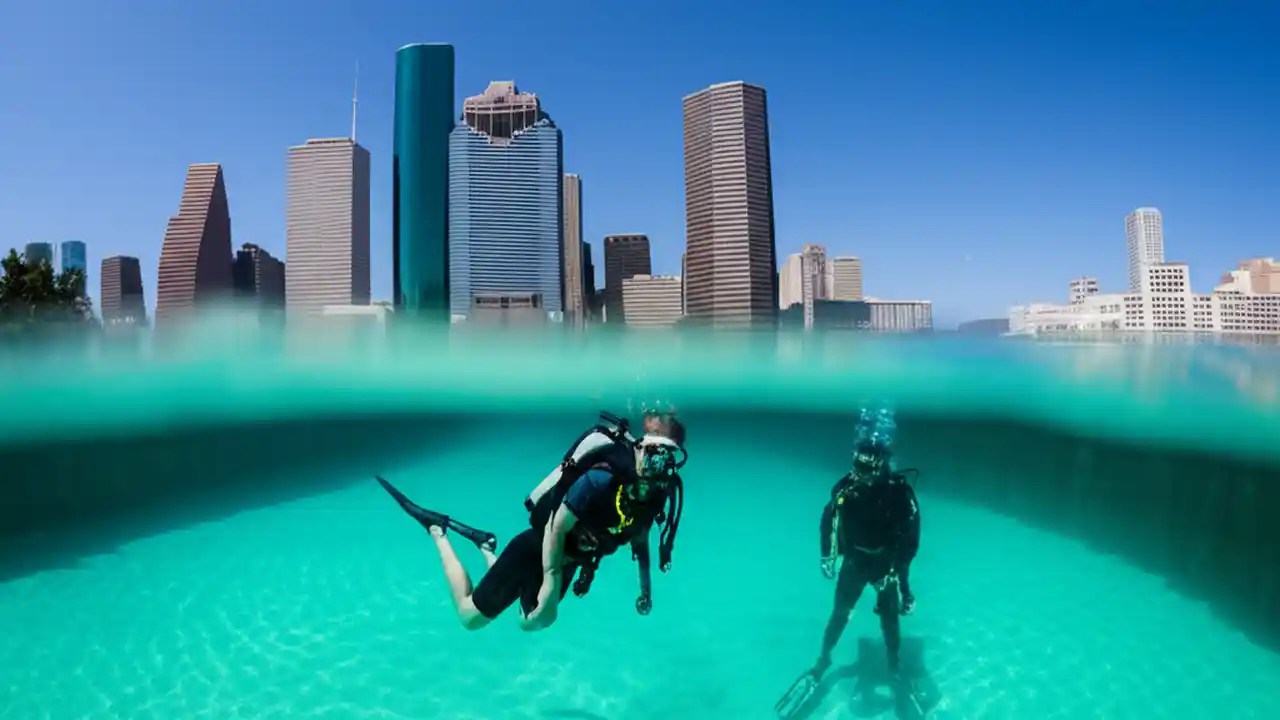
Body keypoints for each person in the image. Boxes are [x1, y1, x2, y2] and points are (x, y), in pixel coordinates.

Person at [377, 409, 686, 632]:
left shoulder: (656, 499)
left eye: (667, 457)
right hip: (537, 548)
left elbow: (641, 545)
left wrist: (645, 591)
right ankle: (438, 531)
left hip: (568, 561)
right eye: (653, 452)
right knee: (470, 618)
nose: (657, 464)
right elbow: (556, 526)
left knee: (530, 622)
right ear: (639, 447)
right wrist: (551, 584)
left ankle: (486, 546)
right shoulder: (601, 479)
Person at [776, 411, 921, 719]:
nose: (861, 472)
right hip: (855, 560)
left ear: (881, 464)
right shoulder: (844, 489)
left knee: (890, 619)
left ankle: (894, 664)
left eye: (869, 465)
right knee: (840, 613)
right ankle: (823, 660)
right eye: (857, 463)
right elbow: (827, 519)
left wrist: (896, 573)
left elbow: (911, 540)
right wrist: (827, 556)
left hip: (886, 563)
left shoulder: (899, 494)